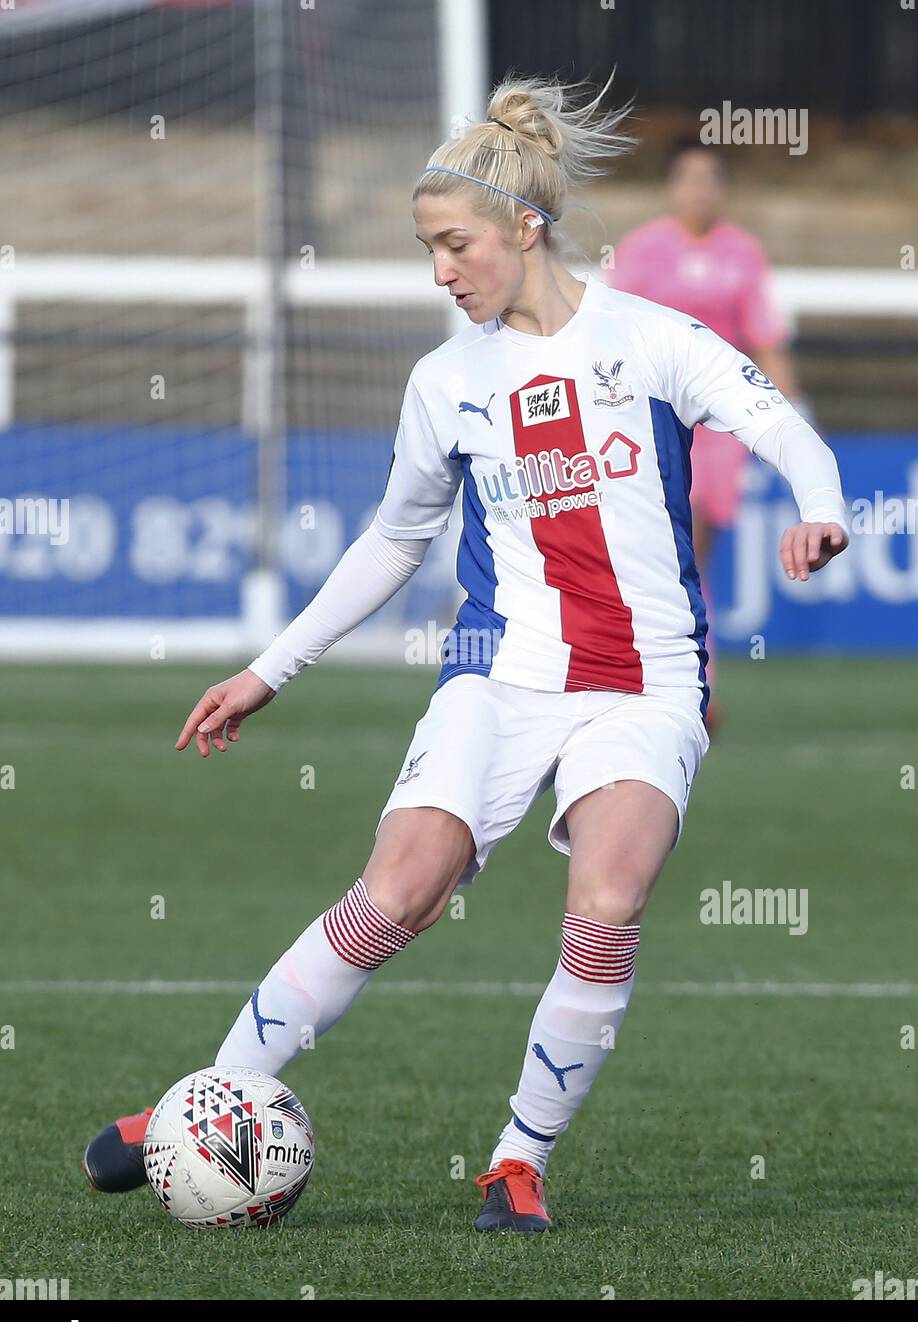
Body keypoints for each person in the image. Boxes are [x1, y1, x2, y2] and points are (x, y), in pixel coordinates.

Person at [82, 74, 848, 1234]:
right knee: (399, 891)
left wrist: (822, 504)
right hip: (498, 672)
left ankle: (517, 1161)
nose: (442, 271)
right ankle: (202, 1101)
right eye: (429, 250)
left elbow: (779, 425)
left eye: (455, 245)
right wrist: (267, 669)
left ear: (524, 227)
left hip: (644, 682)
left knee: (606, 900)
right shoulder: (447, 381)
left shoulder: (648, 340)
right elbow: (395, 537)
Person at [606, 139, 804, 719]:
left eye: (710, 178)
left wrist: (792, 419)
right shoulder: (643, 250)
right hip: (650, 420)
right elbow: (609, 333)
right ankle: (684, 678)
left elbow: (765, 337)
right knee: (664, 549)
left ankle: (689, 678)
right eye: (688, 178)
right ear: (671, 186)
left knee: (689, 550)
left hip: (717, 427)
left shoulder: (742, 253)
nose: (699, 190)